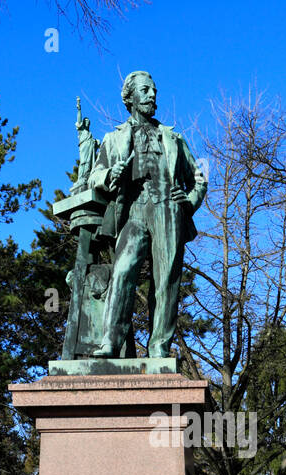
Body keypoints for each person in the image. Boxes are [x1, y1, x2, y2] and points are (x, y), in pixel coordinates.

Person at [86, 70, 207, 359]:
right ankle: (111, 342)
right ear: (129, 98)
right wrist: (108, 176)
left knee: (166, 280)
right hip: (133, 210)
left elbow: (199, 178)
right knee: (123, 270)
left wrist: (189, 201)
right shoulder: (113, 138)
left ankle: (159, 347)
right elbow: (94, 176)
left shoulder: (173, 138)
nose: (152, 95)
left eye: (154, 91)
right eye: (145, 91)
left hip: (168, 209)